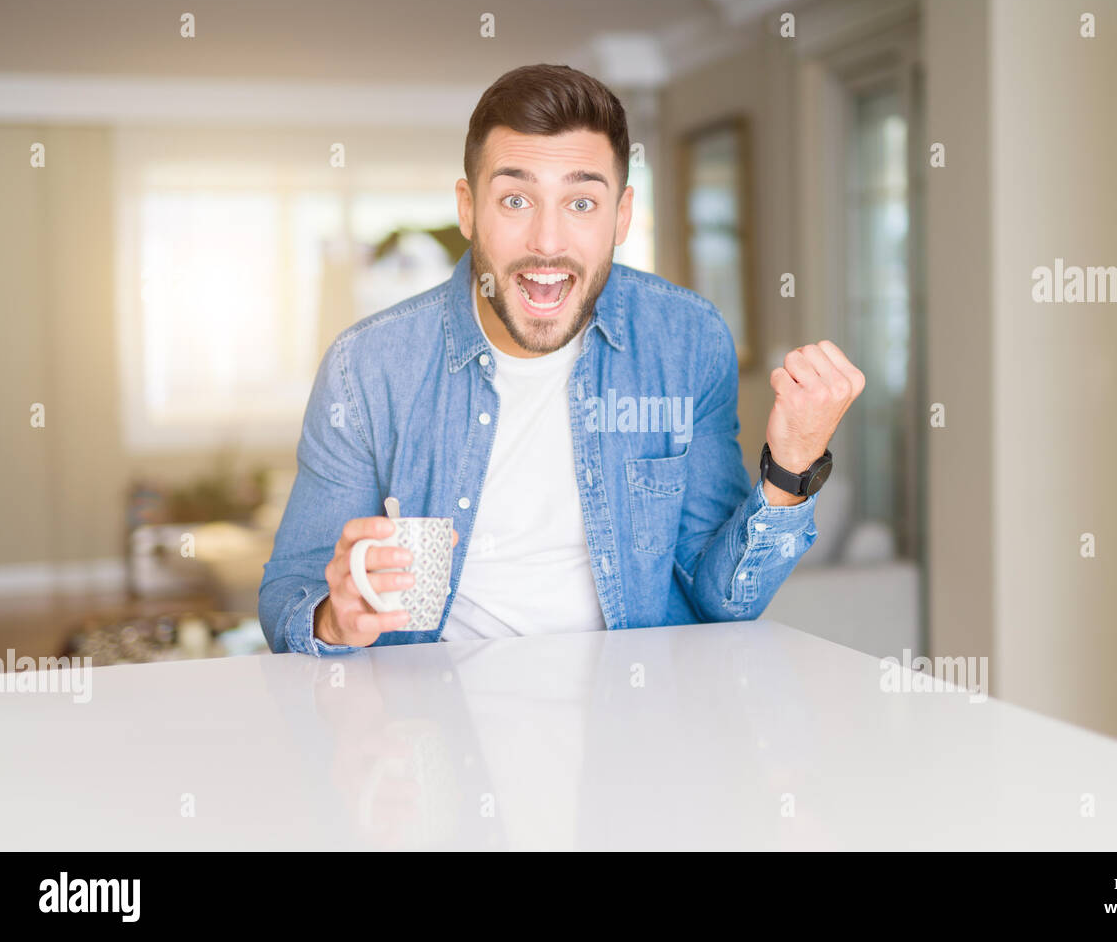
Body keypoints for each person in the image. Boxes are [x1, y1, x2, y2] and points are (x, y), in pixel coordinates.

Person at [259, 63, 865, 655]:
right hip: (432, 725)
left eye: (581, 204)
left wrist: (792, 467)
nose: (547, 242)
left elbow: (722, 603)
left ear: (622, 215)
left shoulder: (687, 339)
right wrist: (332, 618)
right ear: (468, 209)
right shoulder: (366, 366)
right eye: (516, 200)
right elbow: (289, 590)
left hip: (632, 715)